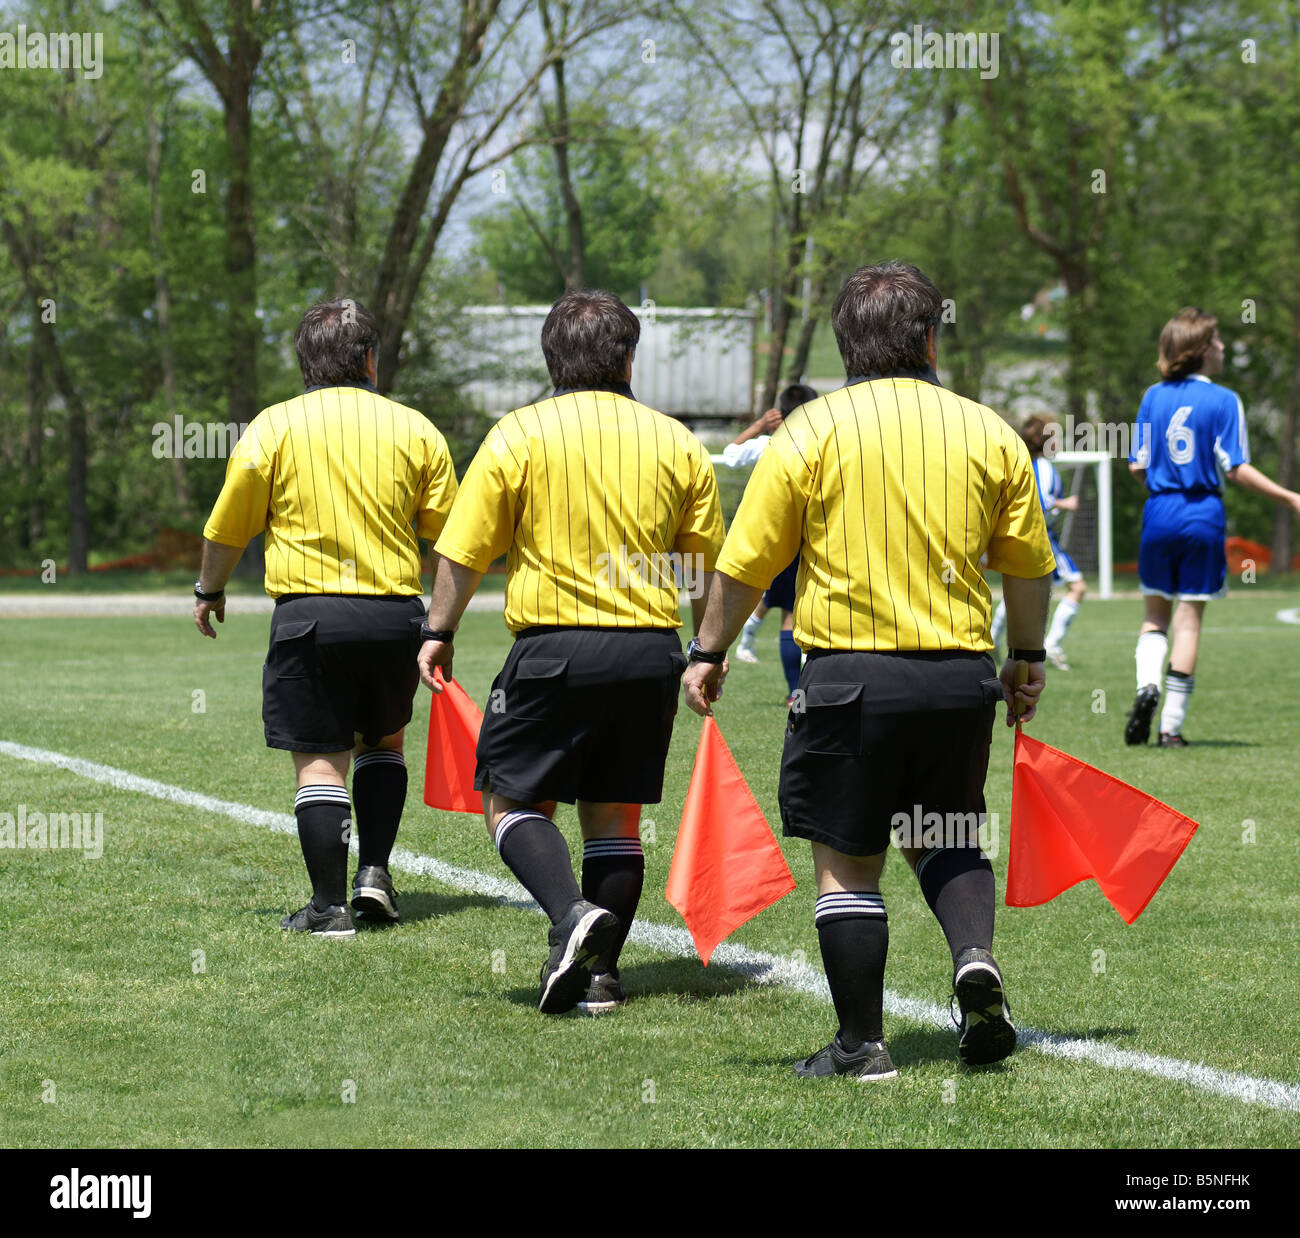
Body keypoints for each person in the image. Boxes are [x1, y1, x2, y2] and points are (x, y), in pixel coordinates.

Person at [683, 261, 1055, 1079]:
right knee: (947, 831)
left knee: (848, 861)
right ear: (929, 338)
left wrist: (708, 651)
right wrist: (1025, 658)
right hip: (960, 680)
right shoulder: (990, 432)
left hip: (849, 679)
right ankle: (973, 960)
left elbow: (747, 567)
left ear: (846, 345)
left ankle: (861, 1046)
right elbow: (1028, 569)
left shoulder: (807, 434)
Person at [418, 290, 724, 1015]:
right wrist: (706, 649)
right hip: (649, 652)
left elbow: (464, 552)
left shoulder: (516, 435)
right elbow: (701, 569)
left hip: (553, 648)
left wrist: (438, 631)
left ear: (551, 357)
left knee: (509, 799)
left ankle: (568, 915)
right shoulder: (677, 442)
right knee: (614, 821)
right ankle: (601, 980)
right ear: (627, 358)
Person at [194, 298, 458, 936]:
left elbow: (230, 528)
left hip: (309, 615)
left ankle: (328, 907)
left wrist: (209, 589)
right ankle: (374, 873)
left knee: (320, 762)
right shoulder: (416, 429)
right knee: (383, 743)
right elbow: (450, 536)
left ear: (302, 362)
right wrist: (440, 626)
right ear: (369, 359)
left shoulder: (272, 427)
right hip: (396, 615)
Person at [1125, 307, 1300, 746]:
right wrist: (1290, 497)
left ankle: (1146, 685)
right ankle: (1170, 728)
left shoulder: (1152, 396)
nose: (1223, 347)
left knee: (1154, 616)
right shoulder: (1224, 400)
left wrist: (1164, 487)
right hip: (1202, 514)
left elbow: (1136, 467)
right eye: (1218, 341)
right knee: (1188, 621)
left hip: (1159, 511)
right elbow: (1236, 467)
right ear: (1202, 350)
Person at [727, 384, 819, 704]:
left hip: (780, 538)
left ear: (780, 413)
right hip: (817, 539)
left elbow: (730, 454)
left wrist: (758, 426)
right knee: (807, 614)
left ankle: (796, 692)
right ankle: (806, 690)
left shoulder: (770, 443)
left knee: (788, 613)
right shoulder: (823, 443)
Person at [990, 414, 1086, 669]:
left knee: (1017, 587)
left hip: (1025, 534)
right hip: (1041, 536)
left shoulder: (1023, 461)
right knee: (1077, 588)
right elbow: (1039, 503)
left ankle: (992, 639)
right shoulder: (1042, 466)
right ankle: (1051, 644)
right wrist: (1066, 503)